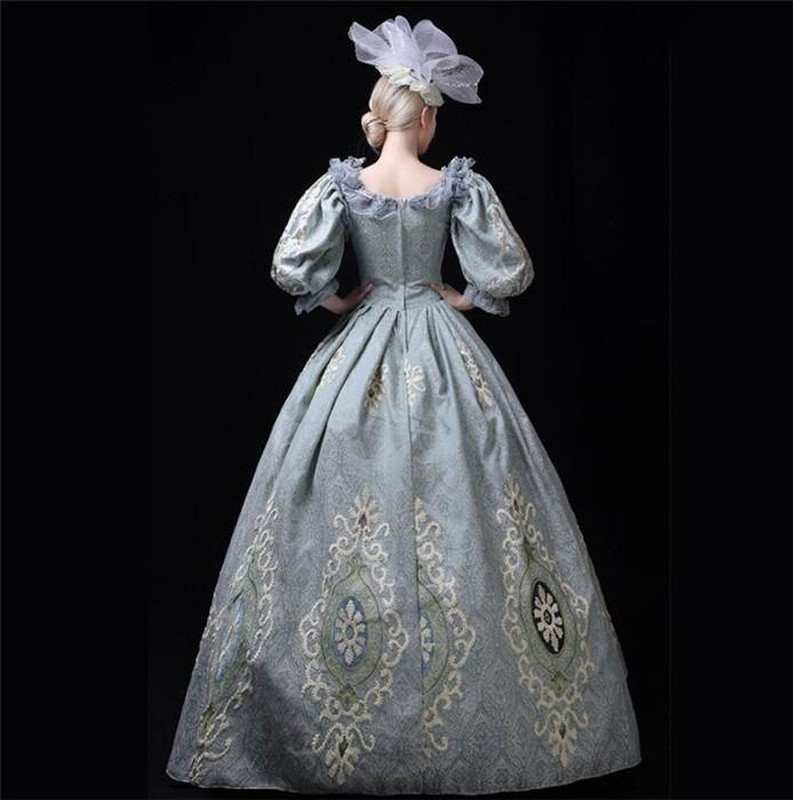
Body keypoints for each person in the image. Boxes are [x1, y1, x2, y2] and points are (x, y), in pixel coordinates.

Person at [166, 14, 641, 795]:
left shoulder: (343, 187)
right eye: (435, 117)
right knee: (474, 505)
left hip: (361, 342)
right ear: (423, 120)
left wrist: (339, 300)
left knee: (333, 512)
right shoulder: (453, 185)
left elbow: (292, 265)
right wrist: (462, 297)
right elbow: (509, 268)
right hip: (439, 339)